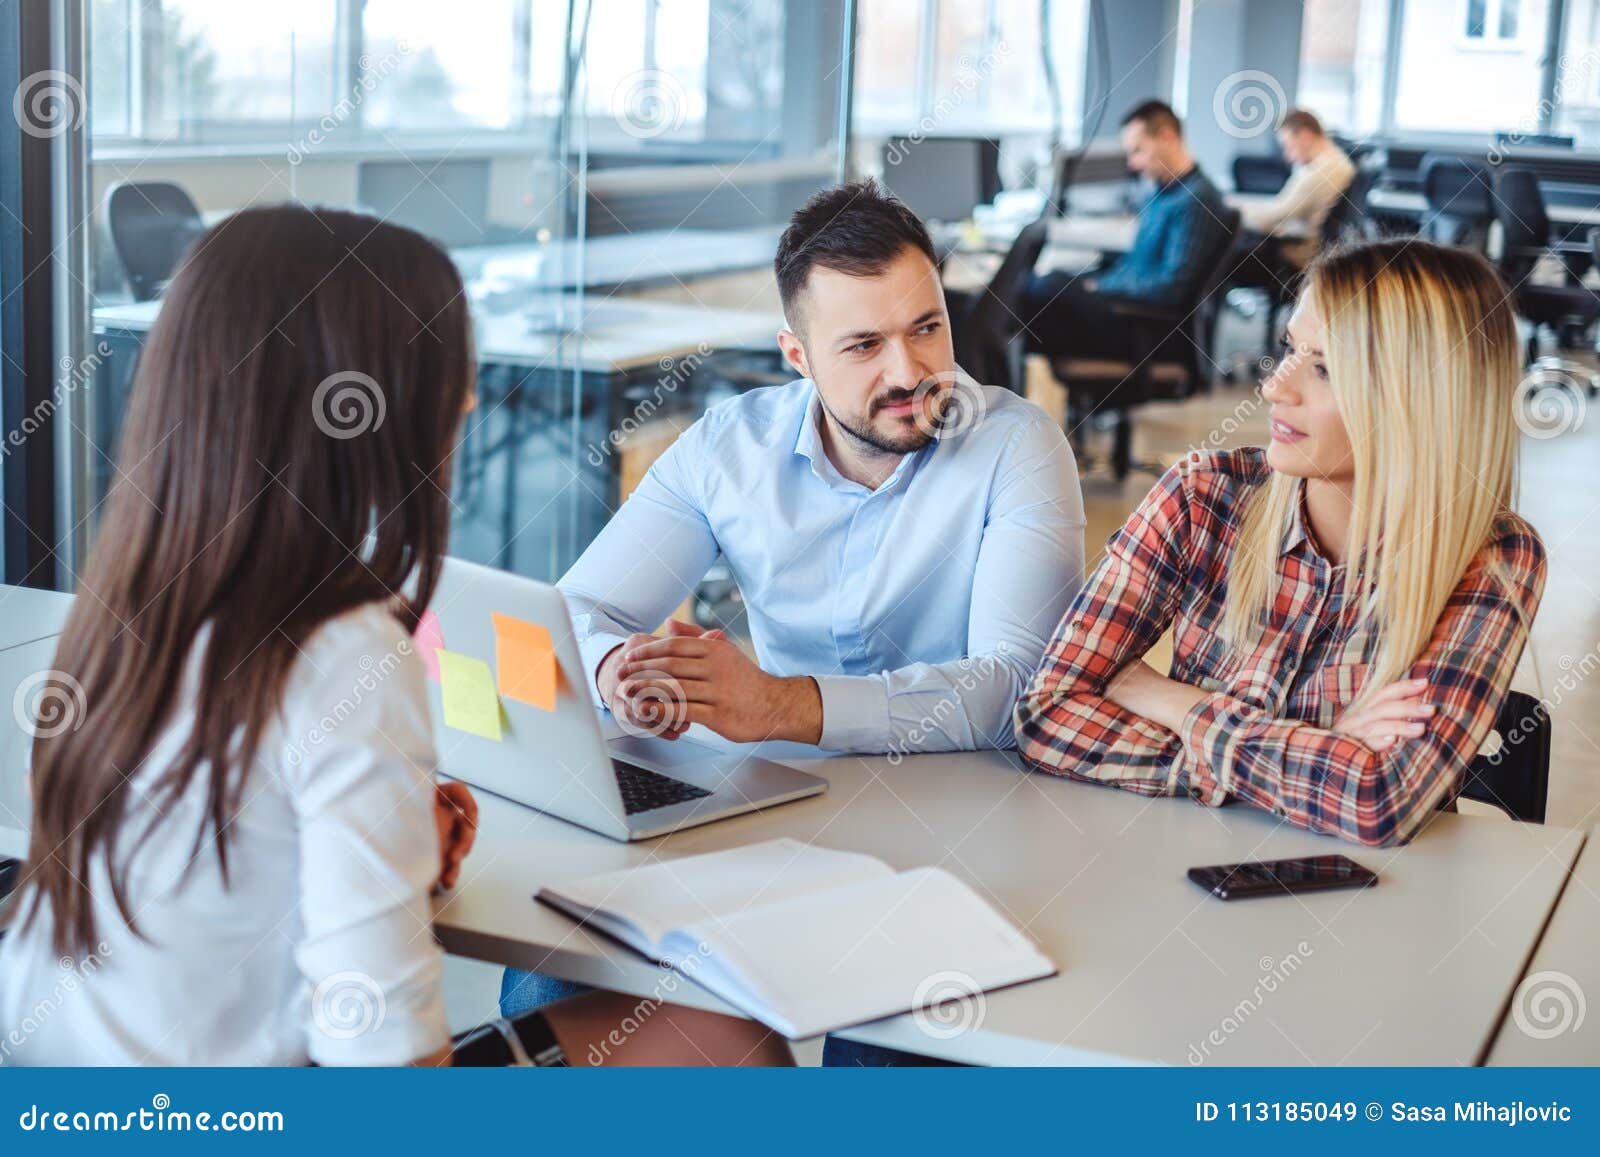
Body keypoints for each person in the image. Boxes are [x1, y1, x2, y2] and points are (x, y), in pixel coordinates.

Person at [0, 205, 788, 1068]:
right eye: (448, 366)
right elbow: (390, 1066)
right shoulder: (343, 655)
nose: (472, 396)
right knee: (727, 1036)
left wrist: (393, 865)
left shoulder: (129, 601)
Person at [502, 179, 1087, 1066]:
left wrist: (783, 706)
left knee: (891, 1036)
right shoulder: (726, 448)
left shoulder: (1015, 445)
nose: (909, 372)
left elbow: (1020, 690)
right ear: (796, 354)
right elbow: (573, 611)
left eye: (927, 327)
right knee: (558, 970)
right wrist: (621, 662)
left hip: (960, 825)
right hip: (773, 813)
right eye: (863, 344)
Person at [1015, 238, 1546, 849]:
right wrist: (1323, 747)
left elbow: (1379, 803)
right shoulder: (1201, 496)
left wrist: (1168, 700)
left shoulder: (1494, 556)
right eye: (1290, 349)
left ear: (1420, 399)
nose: (1275, 389)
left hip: (1370, 907)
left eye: (1324, 368)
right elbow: (1048, 714)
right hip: (1181, 869)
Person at [1022, 100, 1231, 361]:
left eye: (1138, 151)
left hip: (1144, 327)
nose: (1133, 164)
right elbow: (1139, 265)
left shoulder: (1196, 200)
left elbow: (1172, 288)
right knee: (1038, 286)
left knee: (1041, 291)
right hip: (1123, 307)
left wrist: (1098, 287)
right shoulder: (1163, 192)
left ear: (1167, 136)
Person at [1238, 108, 1355, 267]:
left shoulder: (1321, 172)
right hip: (1300, 238)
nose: (1287, 156)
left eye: (1288, 146)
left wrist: (1232, 212)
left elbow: (1278, 214)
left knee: (1224, 254)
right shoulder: (1332, 161)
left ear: (1305, 137)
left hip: (1298, 255)